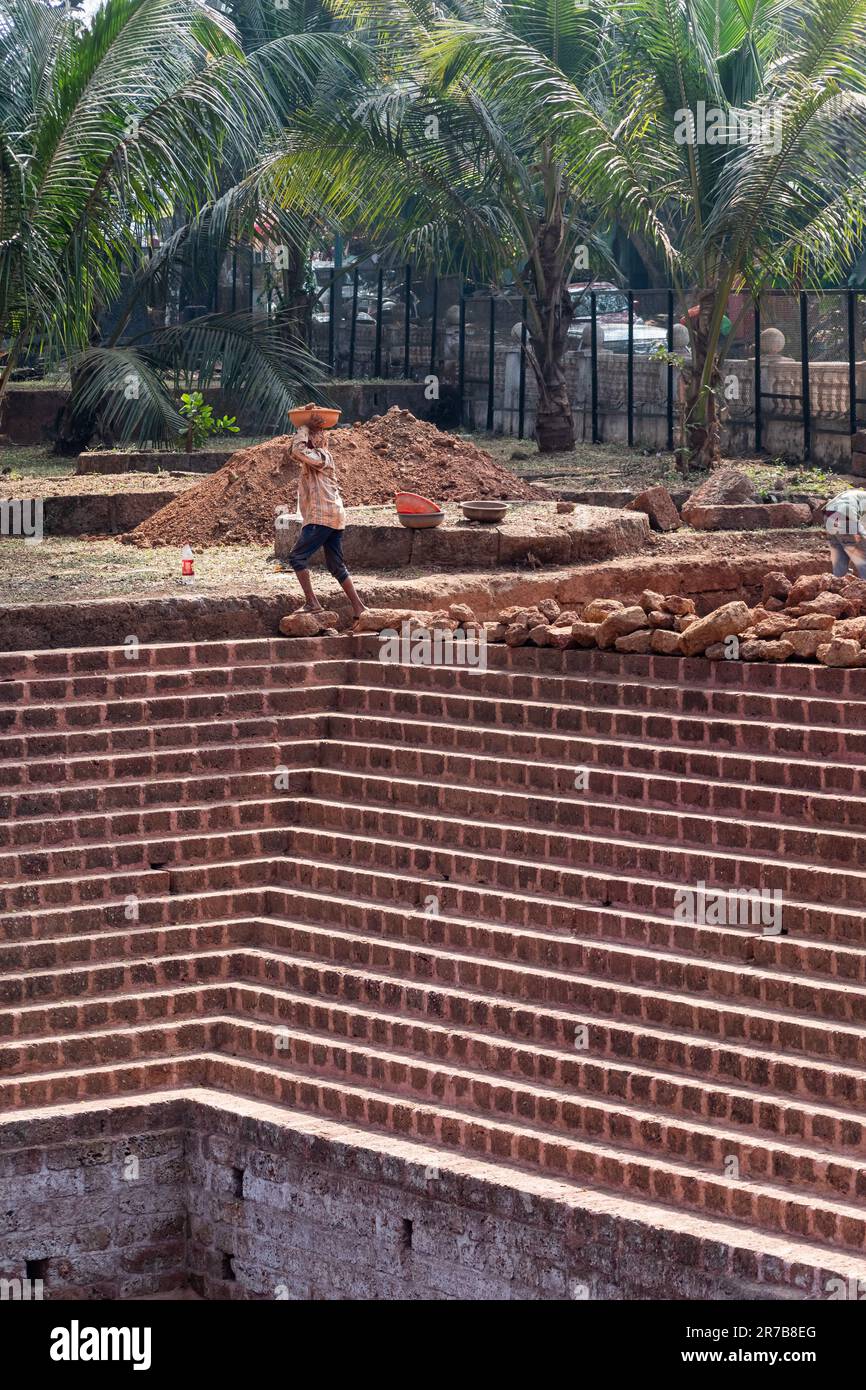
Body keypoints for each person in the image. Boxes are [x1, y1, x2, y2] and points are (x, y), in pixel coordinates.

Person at [285, 410, 367, 620]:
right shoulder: (313, 460)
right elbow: (293, 451)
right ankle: (359, 608)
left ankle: (312, 603)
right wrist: (307, 430)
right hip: (333, 517)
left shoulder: (323, 457)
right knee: (335, 565)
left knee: (297, 557)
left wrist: (304, 427)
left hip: (323, 516)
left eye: (310, 437)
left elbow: (298, 450)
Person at [824, 488, 866, 579]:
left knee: (839, 557)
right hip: (846, 515)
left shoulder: (859, 494)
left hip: (829, 516)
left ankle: (837, 586)